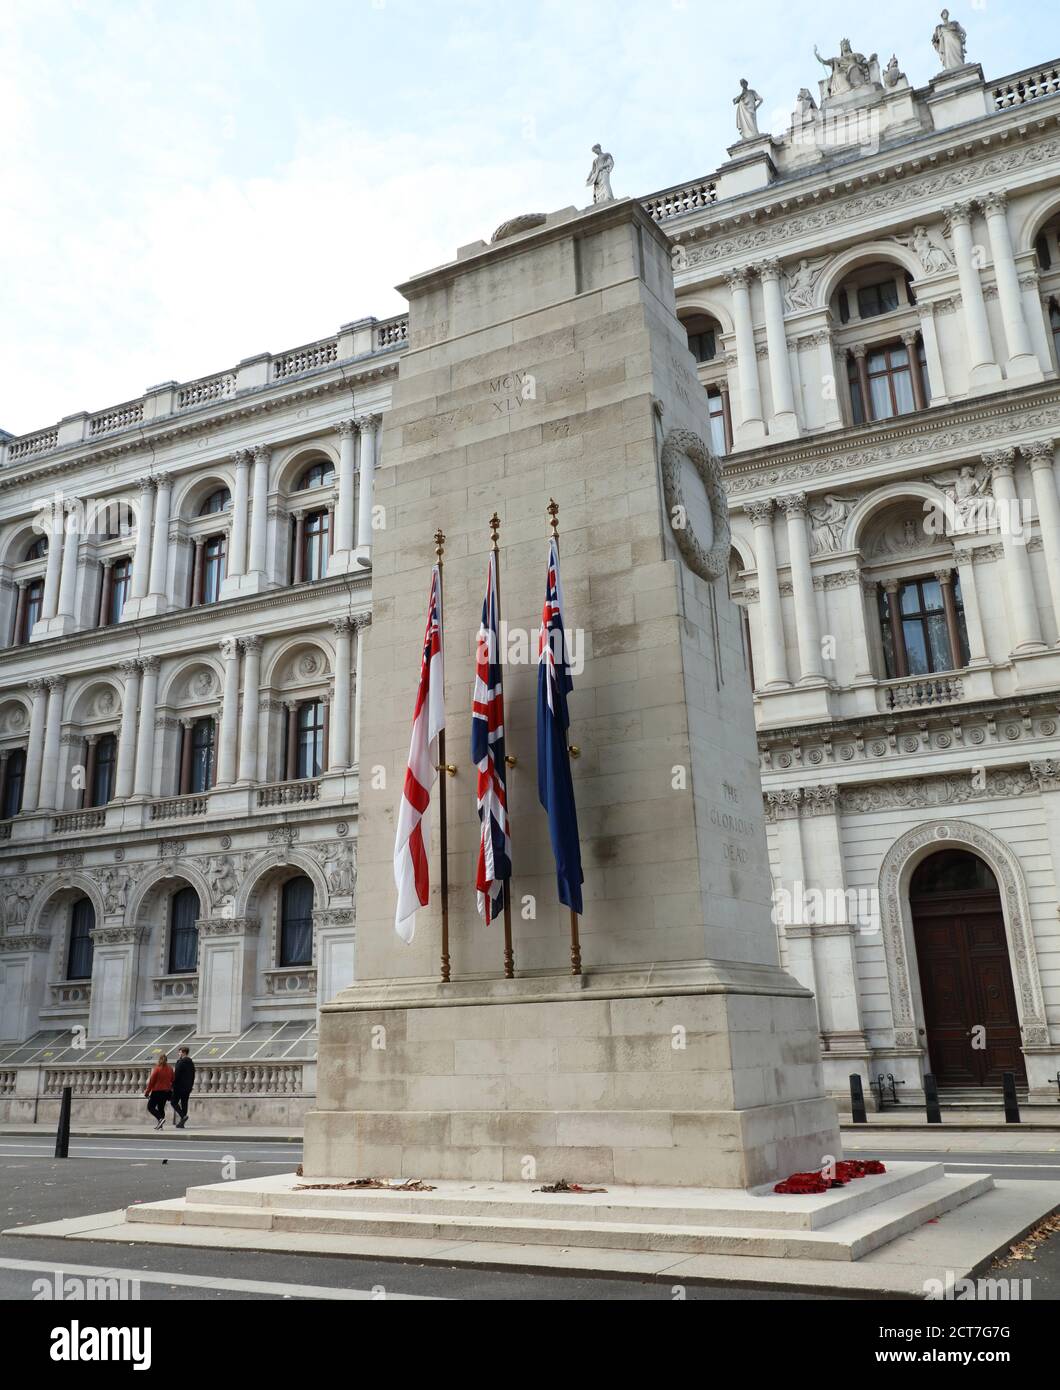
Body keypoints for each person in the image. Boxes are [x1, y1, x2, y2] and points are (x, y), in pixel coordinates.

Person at [144, 1053, 174, 1130]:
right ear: (166, 1060)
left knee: (150, 1107)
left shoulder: (157, 1069)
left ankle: (160, 1119)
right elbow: (172, 1079)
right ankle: (160, 1126)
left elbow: (151, 1082)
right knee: (161, 1108)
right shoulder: (170, 1069)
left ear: (159, 1060)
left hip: (157, 1091)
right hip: (166, 1092)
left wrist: (147, 1092)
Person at [170, 1046, 196, 1130]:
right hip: (187, 1087)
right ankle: (182, 1123)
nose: (179, 1053)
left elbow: (176, 1075)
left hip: (179, 1087)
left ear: (184, 1052)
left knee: (173, 1102)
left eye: (180, 1052)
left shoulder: (180, 1062)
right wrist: (190, 1085)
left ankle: (183, 1116)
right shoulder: (191, 1063)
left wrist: (172, 1085)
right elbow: (193, 1075)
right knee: (184, 1103)